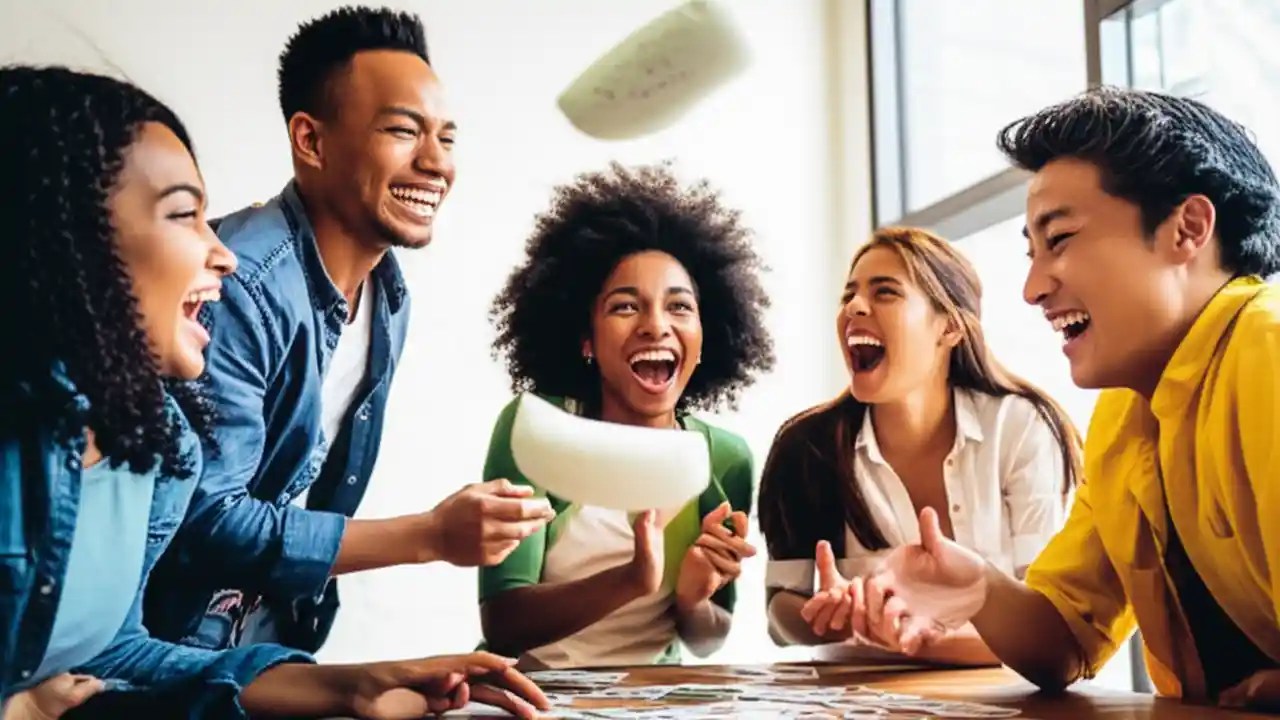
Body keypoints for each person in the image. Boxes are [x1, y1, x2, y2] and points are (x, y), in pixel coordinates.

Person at [0, 65, 548, 719]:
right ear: (66, 237)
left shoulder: (155, 445)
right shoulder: (252, 291)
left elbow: (115, 656)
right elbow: (214, 529)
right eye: (183, 216)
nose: (221, 254)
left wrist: (353, 684)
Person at [851, 87, 1280, 713]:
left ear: (1187, 229)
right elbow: (1064, 638)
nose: (1031, 288)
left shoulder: (1266, 350)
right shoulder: (1129, 414)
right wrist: (978, 588)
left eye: (1062, 239)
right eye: (1033, 250)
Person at [143, 6, 554, 654]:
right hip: (178, 651)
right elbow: (205, 522)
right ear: (311, 140)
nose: (435, 163)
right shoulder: (240, 284)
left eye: (446, 139)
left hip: (271, 637)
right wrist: (430, 535)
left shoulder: (389, 296)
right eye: (402, 130)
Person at [478, 163, 775, 668]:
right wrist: (631, 580)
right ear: (587, 339)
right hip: (530, 694)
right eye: (624, 307)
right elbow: (504, 623)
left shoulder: (723, 458)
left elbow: (707, 639)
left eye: (679, 308)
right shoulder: (539, 429)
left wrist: (692, 597)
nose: (655, 326)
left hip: (648, 700)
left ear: (707, 338)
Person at [757, 227, 1080, 667]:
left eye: (885, 292)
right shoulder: (806, 448)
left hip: (1005, 704)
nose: (854, 306)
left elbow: (1053, 623)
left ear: (948, 327)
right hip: (858, 704)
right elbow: (780, 612)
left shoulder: (1020, 427)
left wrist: (913, 637)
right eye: (848, 294)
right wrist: (832, 620)